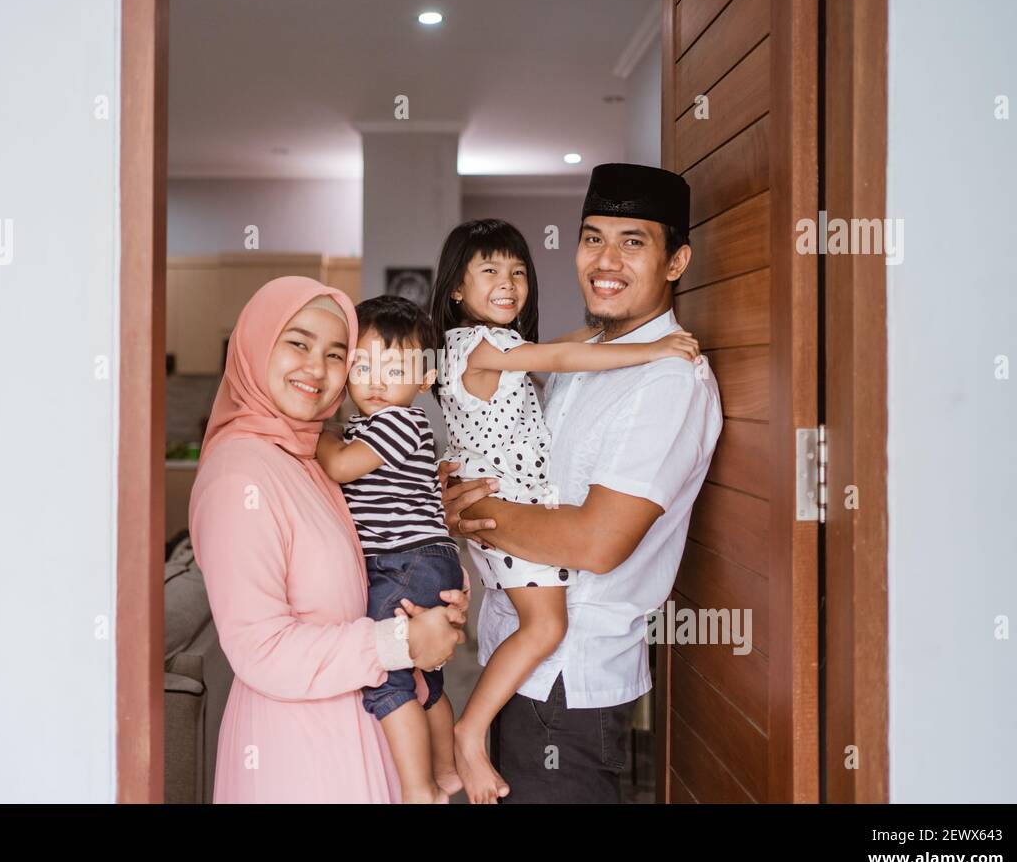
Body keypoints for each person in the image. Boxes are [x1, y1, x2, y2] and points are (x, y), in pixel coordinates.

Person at [441, 164, 723, 804]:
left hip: (568, 683)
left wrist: (476, 511)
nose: (606, 259)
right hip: (520, 666)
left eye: (633, 242)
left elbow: (596, 543)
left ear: (676, 261)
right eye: (593, 237)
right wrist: (463, 505)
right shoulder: (583, 361)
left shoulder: (668, 382)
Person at [188, 276, 467, 803]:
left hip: (362, 735)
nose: (317, 368)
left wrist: (442, 597)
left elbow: (370, 552)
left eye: (337, 353)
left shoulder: (309, 455)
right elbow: (260, 649)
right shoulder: (239, 476)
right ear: (254, 346)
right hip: (297, 759)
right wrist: (403, 640)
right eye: (297, 342)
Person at [316, 295, 464, 804]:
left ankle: (418, 788)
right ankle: (446, 770)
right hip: (418, 558)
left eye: (394, 367)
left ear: (425, 379)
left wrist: (310, 429)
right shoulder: (370, 425)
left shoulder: (401, 422)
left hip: (406, 558)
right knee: (425, 671)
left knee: (384, 672)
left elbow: (338, 467)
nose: (375, 381)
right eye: (362, 364)